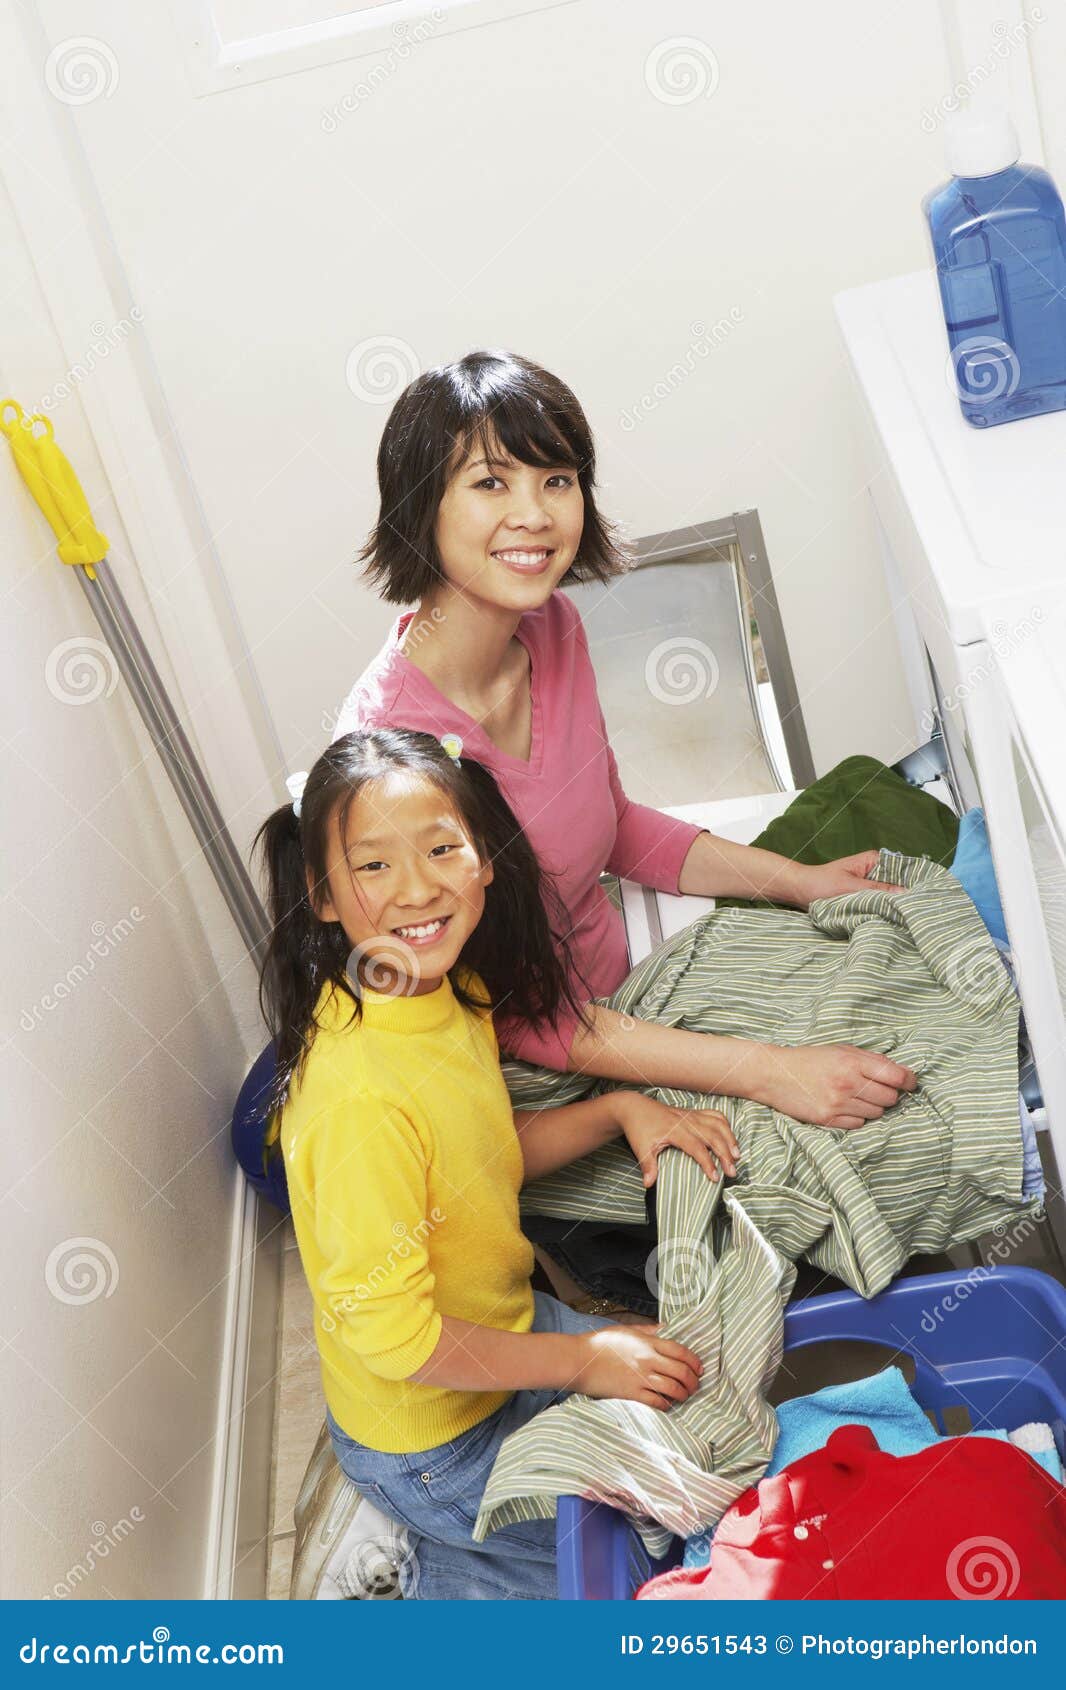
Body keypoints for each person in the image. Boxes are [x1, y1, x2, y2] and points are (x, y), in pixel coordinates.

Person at [333, 348, 917, 1134]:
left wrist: (803, 881)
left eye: (557, 480)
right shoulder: (396, 757)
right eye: (490, 482)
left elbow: (613, 823)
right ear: (419, 506)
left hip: (629, 991)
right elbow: (517, 1018)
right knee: (866, 1115)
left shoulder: (552, 626)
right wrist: (768, 1072)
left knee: (891, 977)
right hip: (535, 1083)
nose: (535, 514)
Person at [254, 726, 740, 1599]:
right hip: (434, 1442)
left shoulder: (447, 991)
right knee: (638, 1568)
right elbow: (400, 1339)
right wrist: (587, 1360)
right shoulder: (356, 1100)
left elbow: (481, 1160)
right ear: (322, 895)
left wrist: (617, 1109)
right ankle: (400, 1575)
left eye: (442, 848)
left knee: (690, 1427)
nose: (417, 888)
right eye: (373, 867)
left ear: (483, 859)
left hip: (509, 1333)